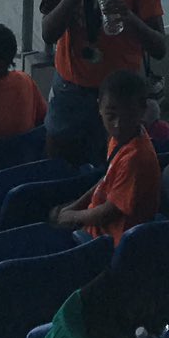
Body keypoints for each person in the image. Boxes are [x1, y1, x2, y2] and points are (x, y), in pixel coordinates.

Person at [41, 0, 165, 165]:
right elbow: (48, 32)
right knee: (61, 162)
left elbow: (159, 47)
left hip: (122, 94)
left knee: (116, 165)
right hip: (71, 91)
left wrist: (130, 19)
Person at [50, 69, 160, 244]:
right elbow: (107, 180)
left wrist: (72, 217)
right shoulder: (124, 137)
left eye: (128, 116)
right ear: (99, 107)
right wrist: (74, 207)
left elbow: (109, 213)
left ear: (143, 110)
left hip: (109, 241)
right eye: (111, 116)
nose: (118, 124)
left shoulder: (136, 158)